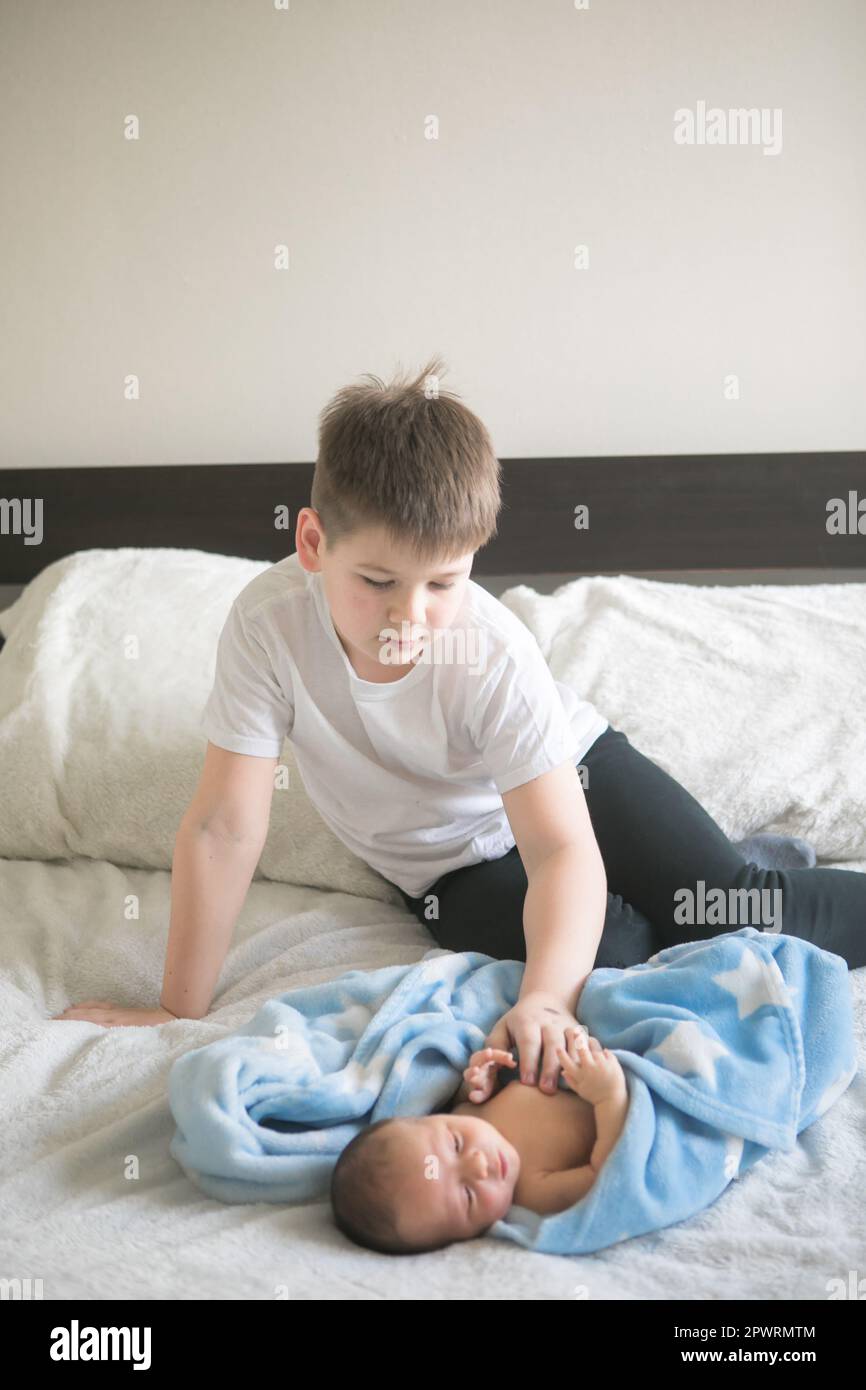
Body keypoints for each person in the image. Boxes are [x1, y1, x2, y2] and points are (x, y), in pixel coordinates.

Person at [55, 355, 866, 1112]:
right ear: (313, 543)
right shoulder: (267, 627)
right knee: (619, 951)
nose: (411, 615)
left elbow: (561, 848)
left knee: (735, 909)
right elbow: (226, 824)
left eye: (444, 582)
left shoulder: (491, 652)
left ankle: (753, 869)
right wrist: (175, 1008)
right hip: (451, 862)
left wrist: (543, 1003)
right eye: (377, 582)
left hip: (573, 774)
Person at [330, 1035, 627, 1255]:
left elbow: (469, 1091)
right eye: (468, 1195)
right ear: (470, 1235)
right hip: (616, 1095)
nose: (479, 1165)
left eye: (456, 1144)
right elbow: (607, 1172)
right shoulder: (535, 1192)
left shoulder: (466, 1112)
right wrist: (609, 1097)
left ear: (433, 1117)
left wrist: (483, 1077)